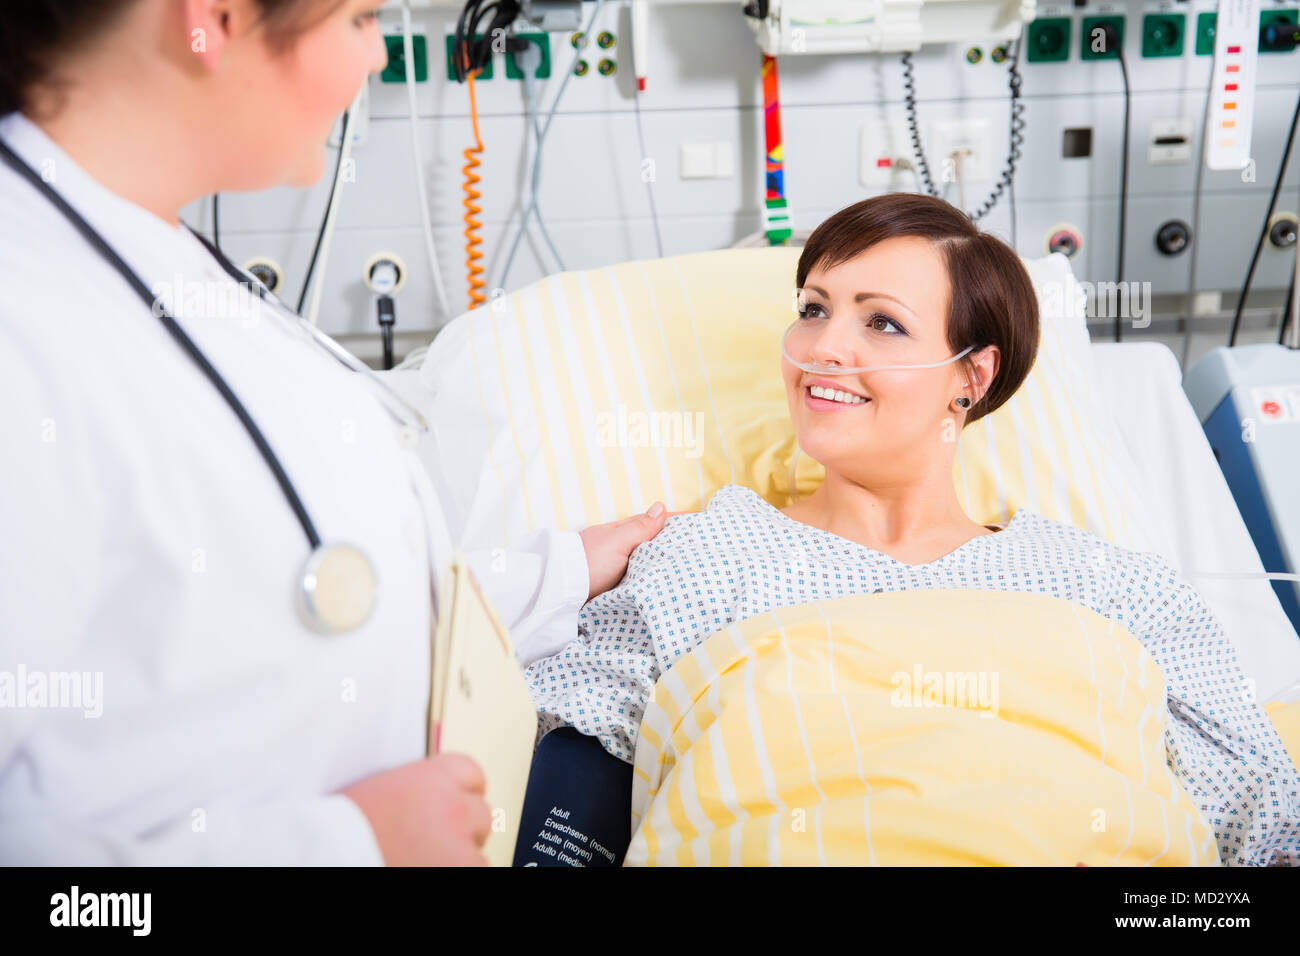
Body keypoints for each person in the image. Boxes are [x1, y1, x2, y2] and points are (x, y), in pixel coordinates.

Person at [0, 0, 669, 866]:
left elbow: (263, 596)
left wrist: (561, 574)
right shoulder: (27, 330)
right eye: (359, 19)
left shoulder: (149, 249)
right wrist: (352, 844)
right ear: (220, 19)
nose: (381, 52)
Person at [523, 193, 1300, 866]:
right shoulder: (702, 554)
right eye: (814, 309)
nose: (824, 347)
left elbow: (1262, 826)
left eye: (884, 324)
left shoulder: (1119, 587)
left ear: (972, 377)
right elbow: (584, 768)